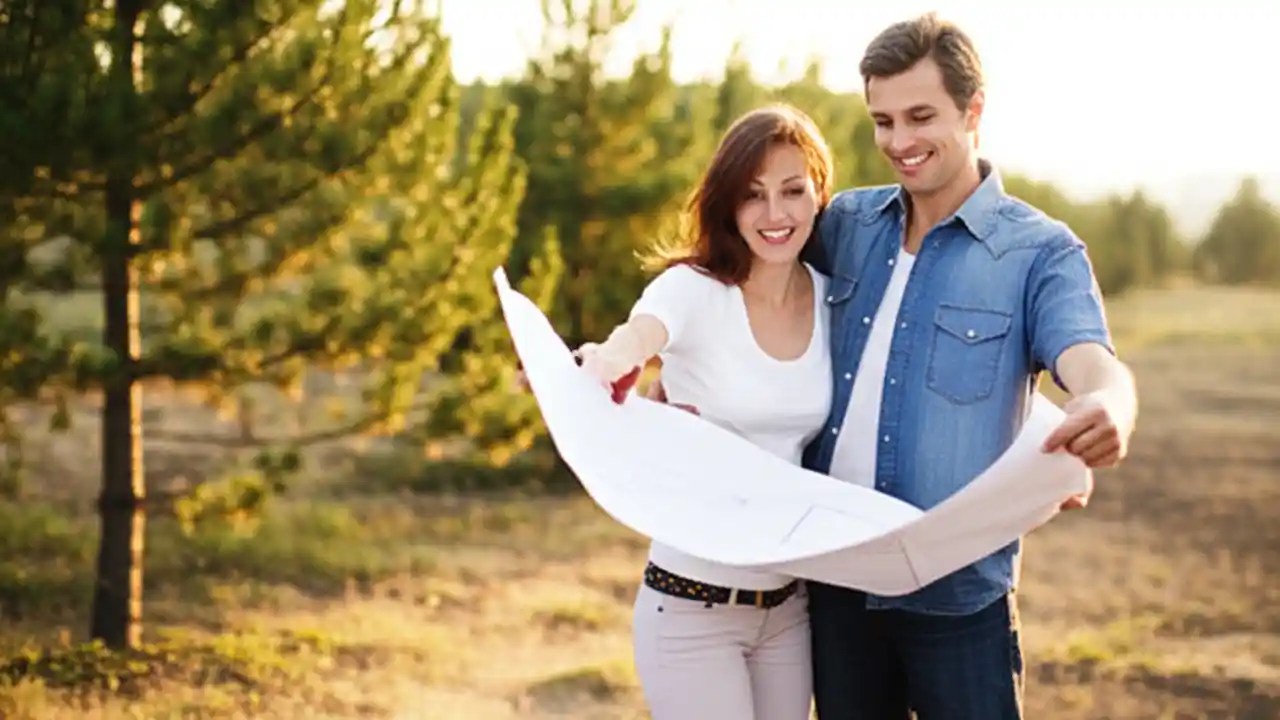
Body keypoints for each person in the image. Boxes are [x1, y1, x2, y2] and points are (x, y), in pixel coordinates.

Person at [795, 13, 1140, 719]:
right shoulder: (844, 226)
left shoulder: (1041, 252)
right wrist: (622, 356)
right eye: (882, 121)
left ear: (973, 109)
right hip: (837, 586)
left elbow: (1095, 364)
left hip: (959, 599)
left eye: (920, 116)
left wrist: (1109, 407)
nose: (899, 142)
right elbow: (732, 291)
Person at [573, 104, 835, 719]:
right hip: (692, 610)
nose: (776, 215)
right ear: (727, 204)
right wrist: (602, 364)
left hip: (788, 612)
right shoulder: (693, 289)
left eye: (793, 191)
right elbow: (634, 339)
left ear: (819, 193)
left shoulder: (833, 298)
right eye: (753, 195)